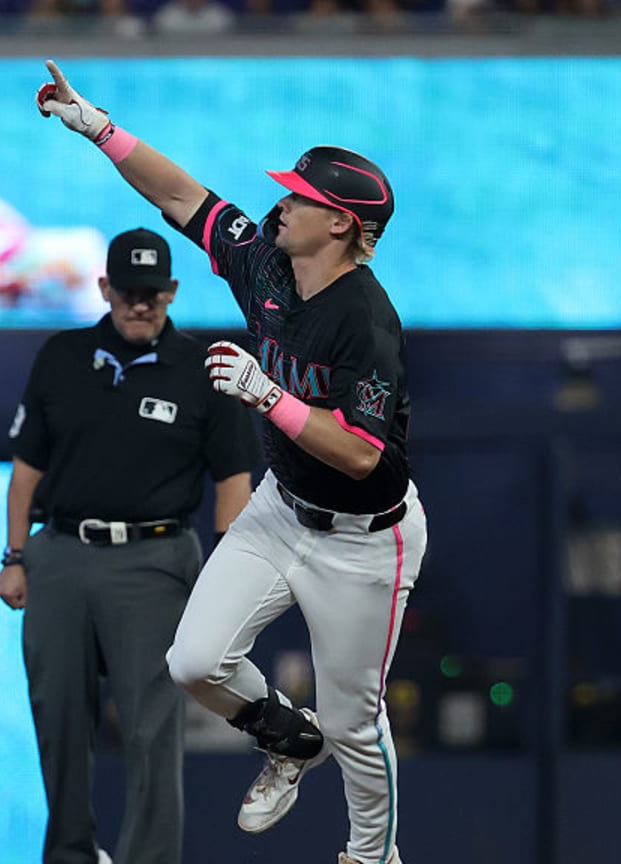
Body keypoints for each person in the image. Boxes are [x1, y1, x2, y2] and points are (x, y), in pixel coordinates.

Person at [37, 61, 429, 864]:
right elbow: (185, 198)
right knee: (193, 661)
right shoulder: (272, 266)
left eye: (301, 198)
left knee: (356, 719)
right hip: (283, 508)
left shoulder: (368, 323)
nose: (281, 204)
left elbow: (361, 454)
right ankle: (287, 739)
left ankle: (371, 857)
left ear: (344, 226)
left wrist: (268, 398)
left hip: (365, 537)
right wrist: (100, 129)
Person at [0, 227, 256, 864]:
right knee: (57, 718)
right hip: (59, 552)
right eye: (129, 292)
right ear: (106, 288)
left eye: (153, 293)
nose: (141, 305)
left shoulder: (204, 370)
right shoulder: (60, 355)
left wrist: (224, 585)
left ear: (171, 291)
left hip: (155, 560)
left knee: (152, 729)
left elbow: (235, 482)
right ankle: (69, 854)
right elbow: (26, 467)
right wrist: (13, 556)